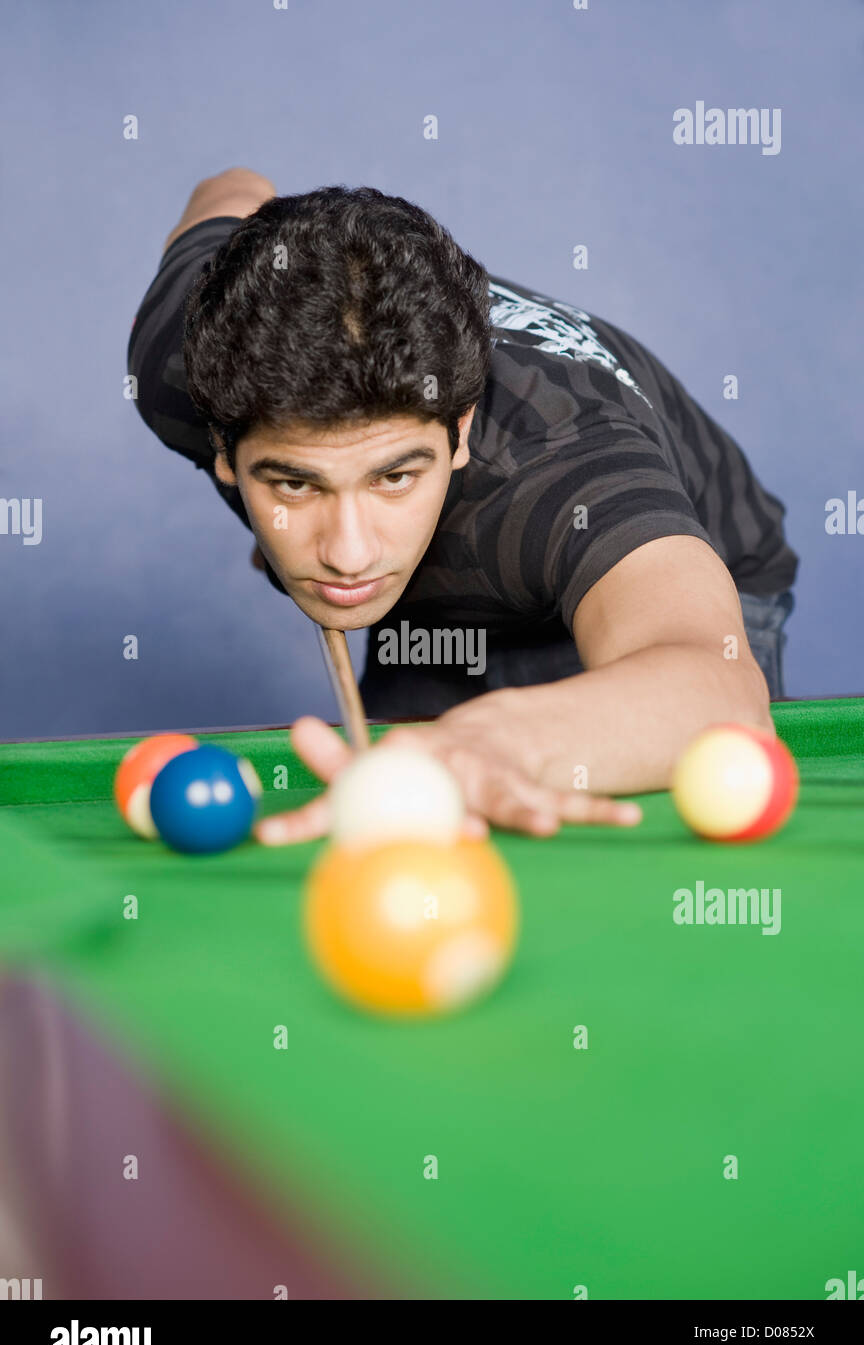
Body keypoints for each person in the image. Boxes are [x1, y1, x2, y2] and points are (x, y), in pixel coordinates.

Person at [128, 167, 798, 841]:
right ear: (221, 442)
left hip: (669, 589)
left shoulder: (563, 462)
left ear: (459, 431)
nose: (349, 552)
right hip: (441, 589)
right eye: (296, 483)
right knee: (414, 816)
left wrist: (499, 741)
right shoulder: (183, 360)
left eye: (394, 477)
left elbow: (720, 690)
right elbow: (233, 185)